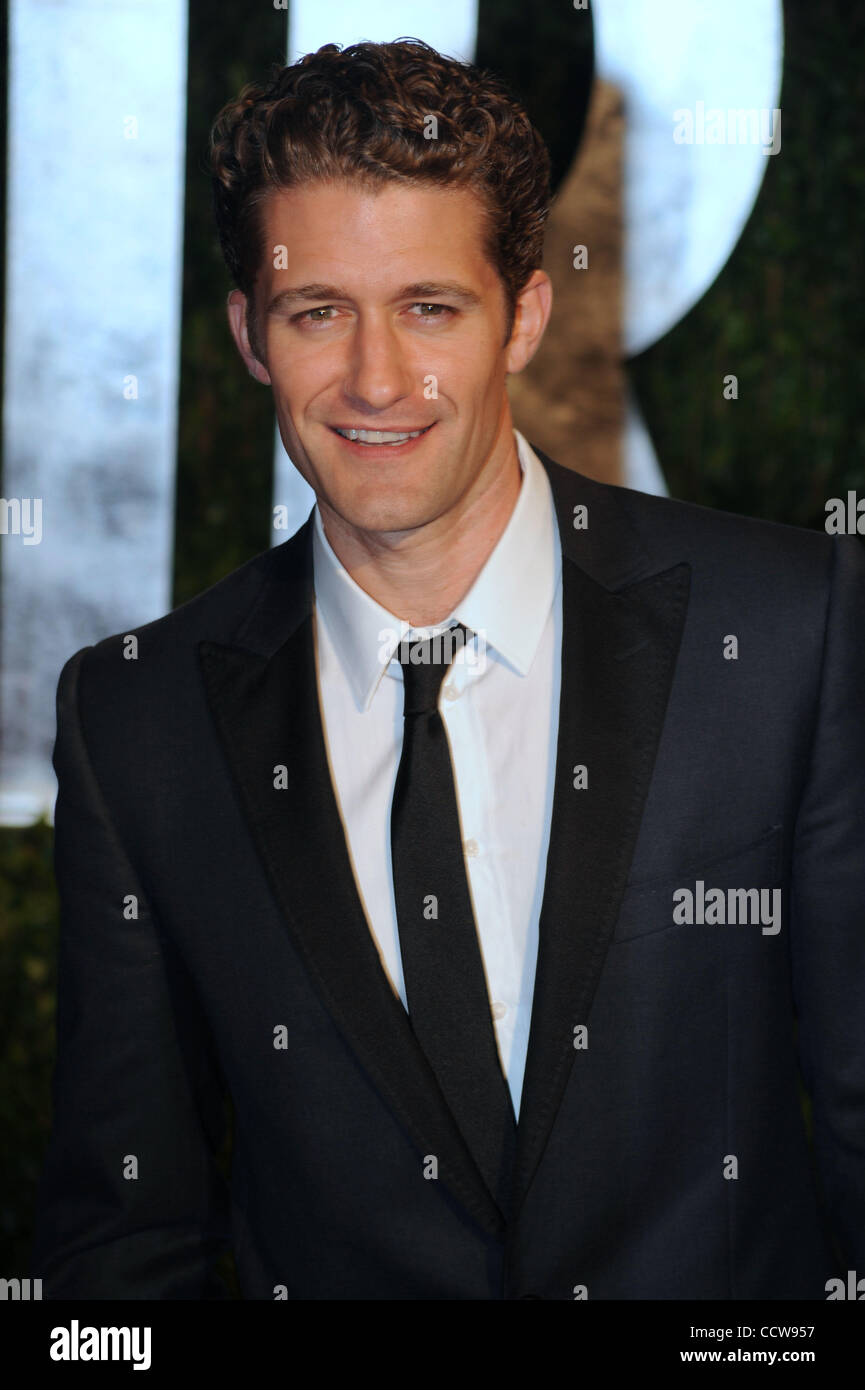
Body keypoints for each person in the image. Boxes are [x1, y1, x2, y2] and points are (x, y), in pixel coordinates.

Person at [31, 38, 864, 1300]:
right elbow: (125, 1234)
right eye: (320, 312)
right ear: (250, 333)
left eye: (430, 306)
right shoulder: (135, 719)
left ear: (523, 313)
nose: (376, 380)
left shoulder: (790, 628)